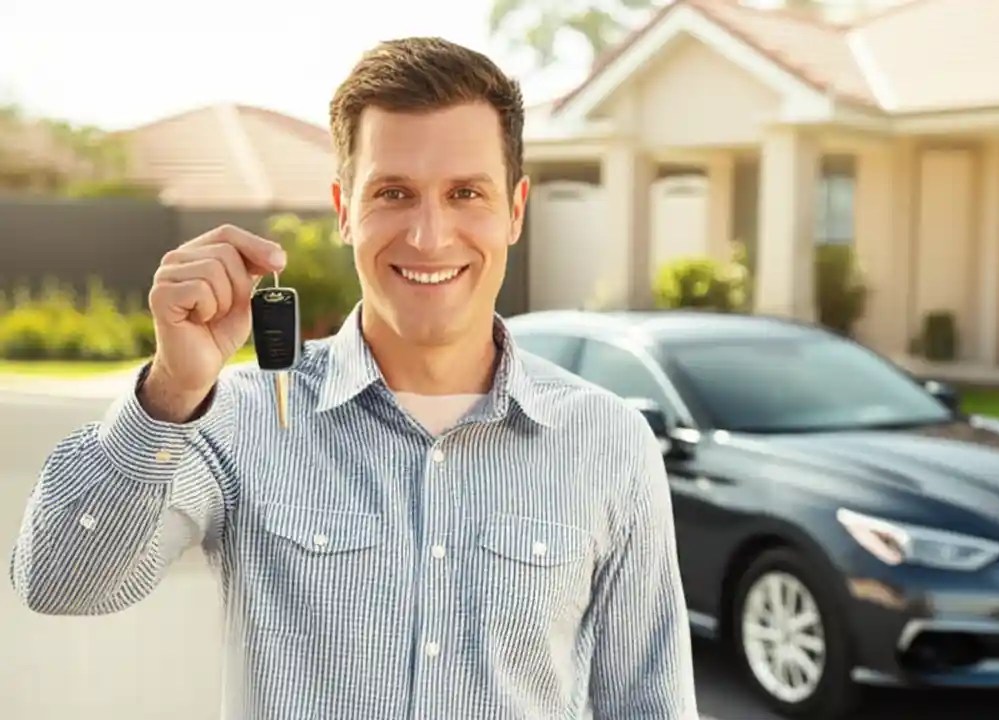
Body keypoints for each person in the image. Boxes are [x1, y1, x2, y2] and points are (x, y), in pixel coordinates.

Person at [9, 36, 699, 720]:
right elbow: (61, 581)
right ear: (344, 210)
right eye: (394, 193)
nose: (430, 236)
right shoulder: (237, 416)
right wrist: (170, 389)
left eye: (466, 193)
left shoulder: (609, 441)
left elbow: (649, 704)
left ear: (515, 211)